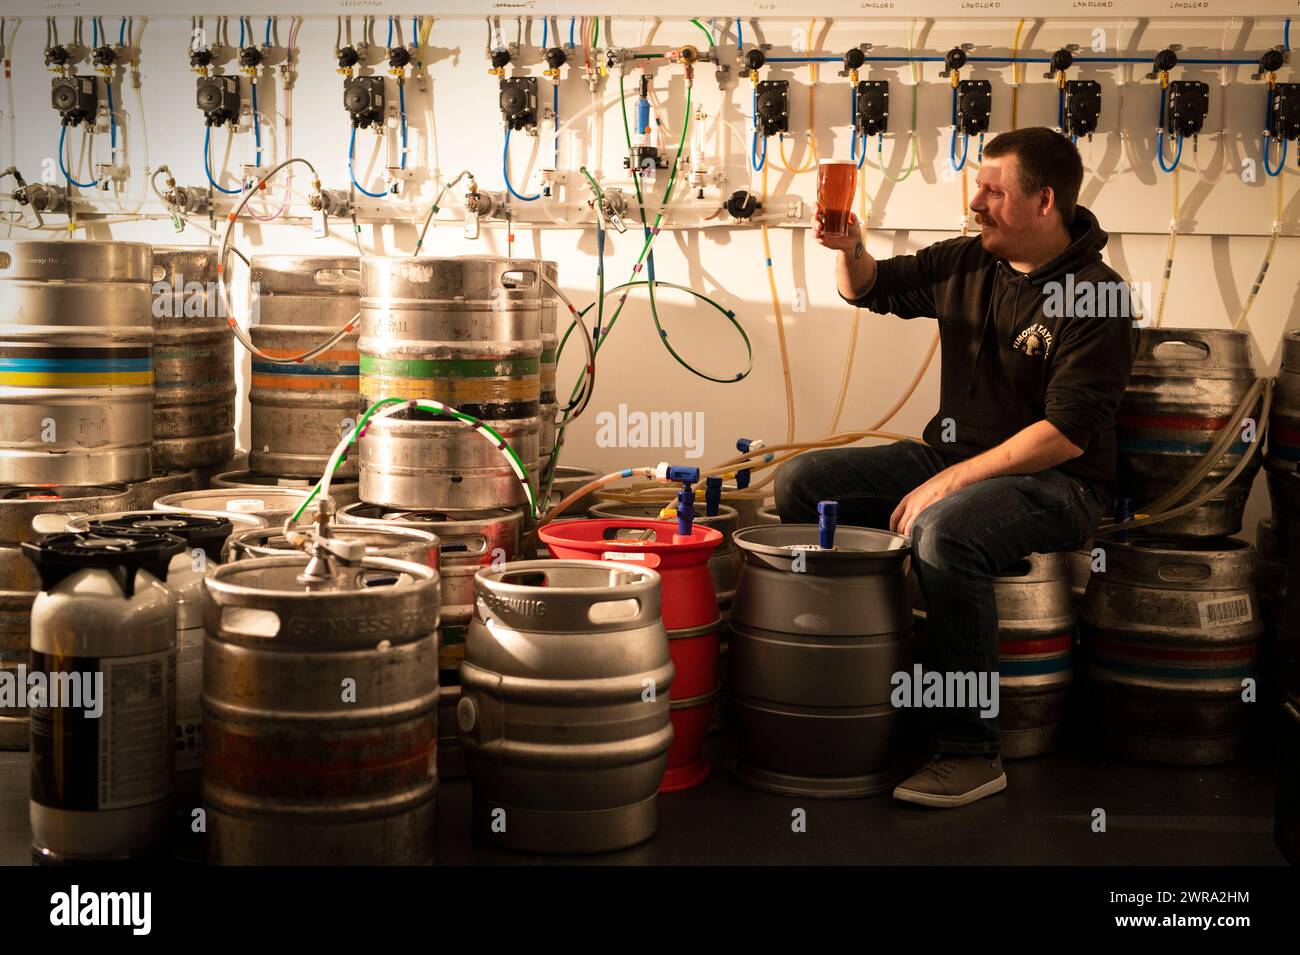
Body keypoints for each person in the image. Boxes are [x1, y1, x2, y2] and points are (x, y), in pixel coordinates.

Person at [780, 126, 1137, 808]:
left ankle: (970, 750)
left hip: (1062, 483)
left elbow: (1066, 434)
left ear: (1044, 202)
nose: (976, 202)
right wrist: (851, 250)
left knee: (945, 532)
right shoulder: (969, 262)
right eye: (978, 186)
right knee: (804, 483)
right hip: (955, 457)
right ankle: (869, 679)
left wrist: (951, 479)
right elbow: (871, 289)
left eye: (993, 191)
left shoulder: (1099, 296)